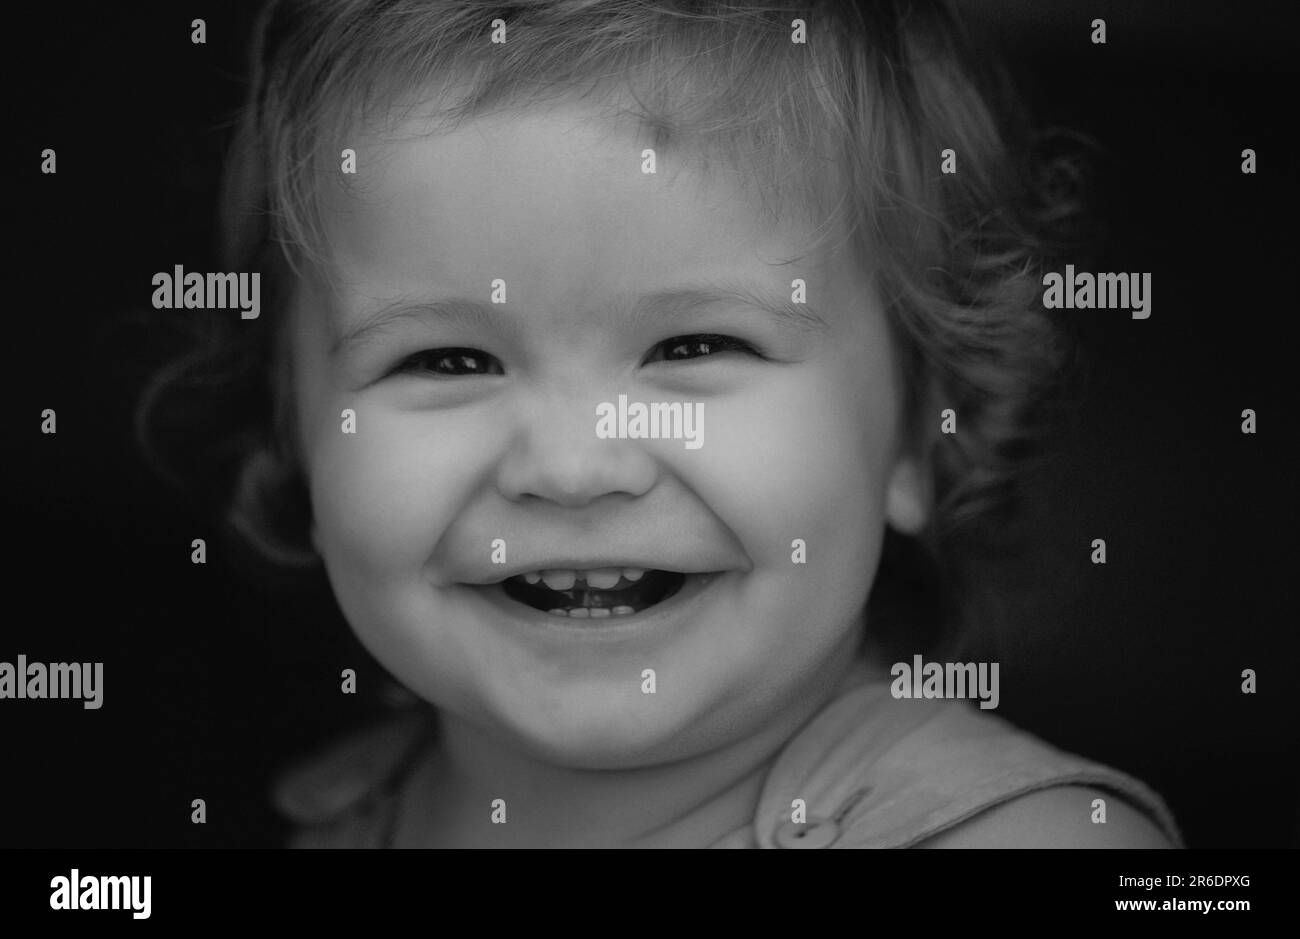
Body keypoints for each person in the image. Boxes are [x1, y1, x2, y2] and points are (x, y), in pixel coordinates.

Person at [139, 0, 1182, 848]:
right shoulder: (323, 815)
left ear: (922, 432)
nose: (572, 467)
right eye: (446, 360)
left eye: (694, 348)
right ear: (296, 448)